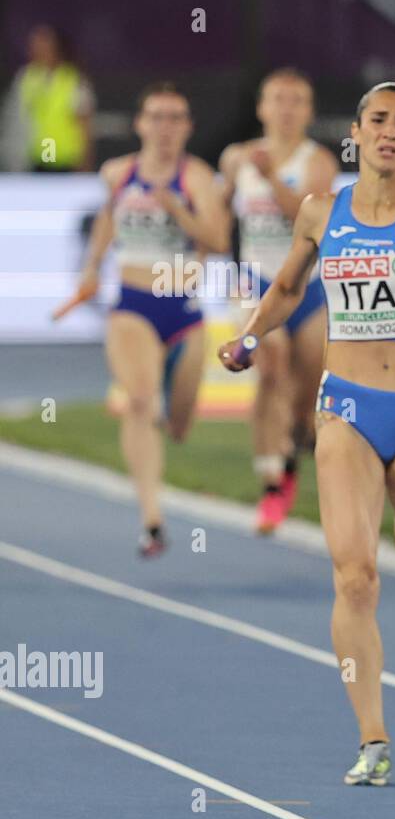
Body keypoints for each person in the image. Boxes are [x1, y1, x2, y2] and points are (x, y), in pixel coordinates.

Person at [219, 82, 395, 786]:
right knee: (355, 578)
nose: (388, 131)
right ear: (355, 133)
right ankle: (372, 737)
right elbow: (287, 288)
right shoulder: (322, 212)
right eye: (377, 119)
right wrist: (249, 337)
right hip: (343, 408)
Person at [52, 82, 228, 555]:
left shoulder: (197, 178)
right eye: (157, 117)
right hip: (132, 302)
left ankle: (170, 415)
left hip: (184, 307)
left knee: (181, 425)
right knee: (140, 402)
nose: (165, 127)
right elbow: (109, 218)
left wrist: (176, 210)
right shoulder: (117, 172)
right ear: (140, 123)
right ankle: (152, 520)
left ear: (188, 127)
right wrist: (92, 266)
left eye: (175, 118)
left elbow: (219, 240)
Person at [220, 68, 338, 533]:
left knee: (309, 387)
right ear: (261, 108)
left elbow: (306, 220)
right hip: (254, 280)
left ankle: (294, 444)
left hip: (307, 284)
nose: (286, 109)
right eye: (278, 99)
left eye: (297, 100)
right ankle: (271, 480)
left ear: (308, 111)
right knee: (269, 367)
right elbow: (219, 208)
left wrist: (271, 180)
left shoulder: (318, 161)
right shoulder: (236, 158)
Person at [5, 24, 95, 172]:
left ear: (56, 47)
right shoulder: (26, 77)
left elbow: (85, 126)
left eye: (43, 44)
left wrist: (85, 163)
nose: (38, 49)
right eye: (34, 44)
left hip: (65, 159)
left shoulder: (73, 79)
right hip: (35, 158)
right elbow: (17, 119)